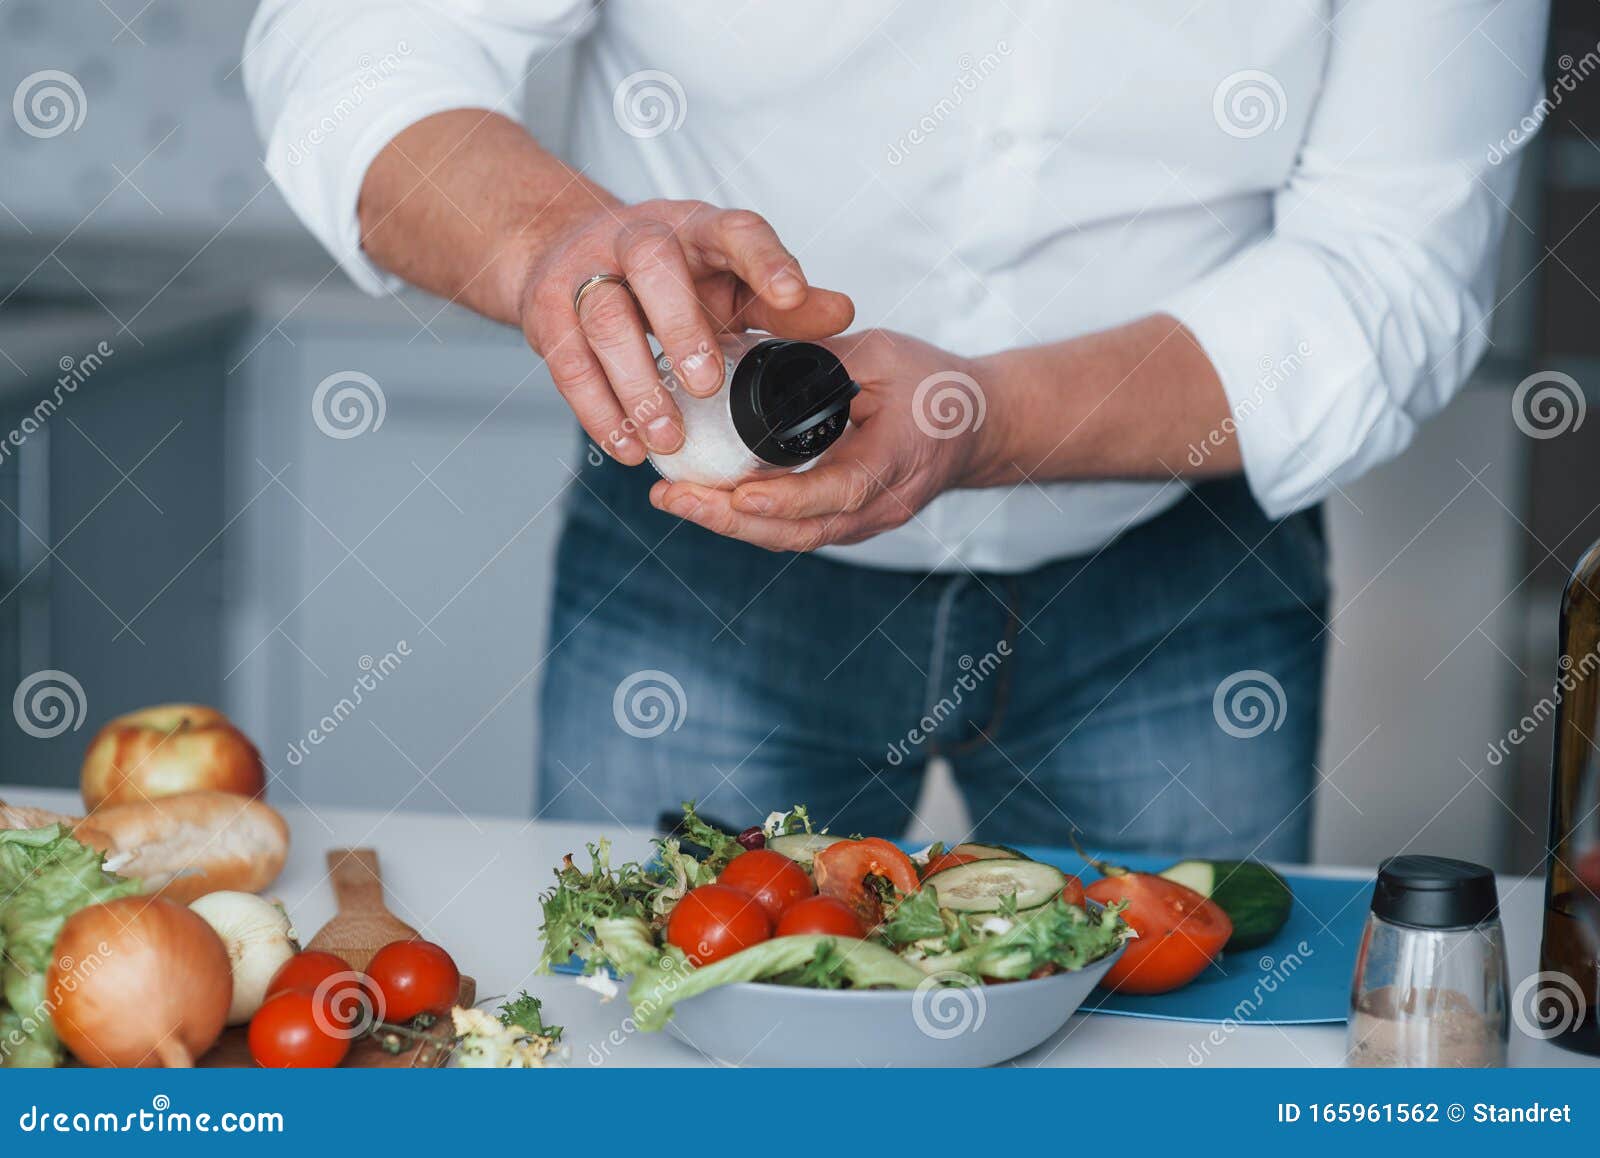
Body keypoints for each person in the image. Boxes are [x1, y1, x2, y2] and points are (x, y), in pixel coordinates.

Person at [244, 1, 1547, 858]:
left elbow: (1394, 273)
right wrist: (556, 249)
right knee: (646, 1073)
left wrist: (982, 420)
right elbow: (361, 41)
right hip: (699, 569)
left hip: (1175, 580)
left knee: (1166, 1084)